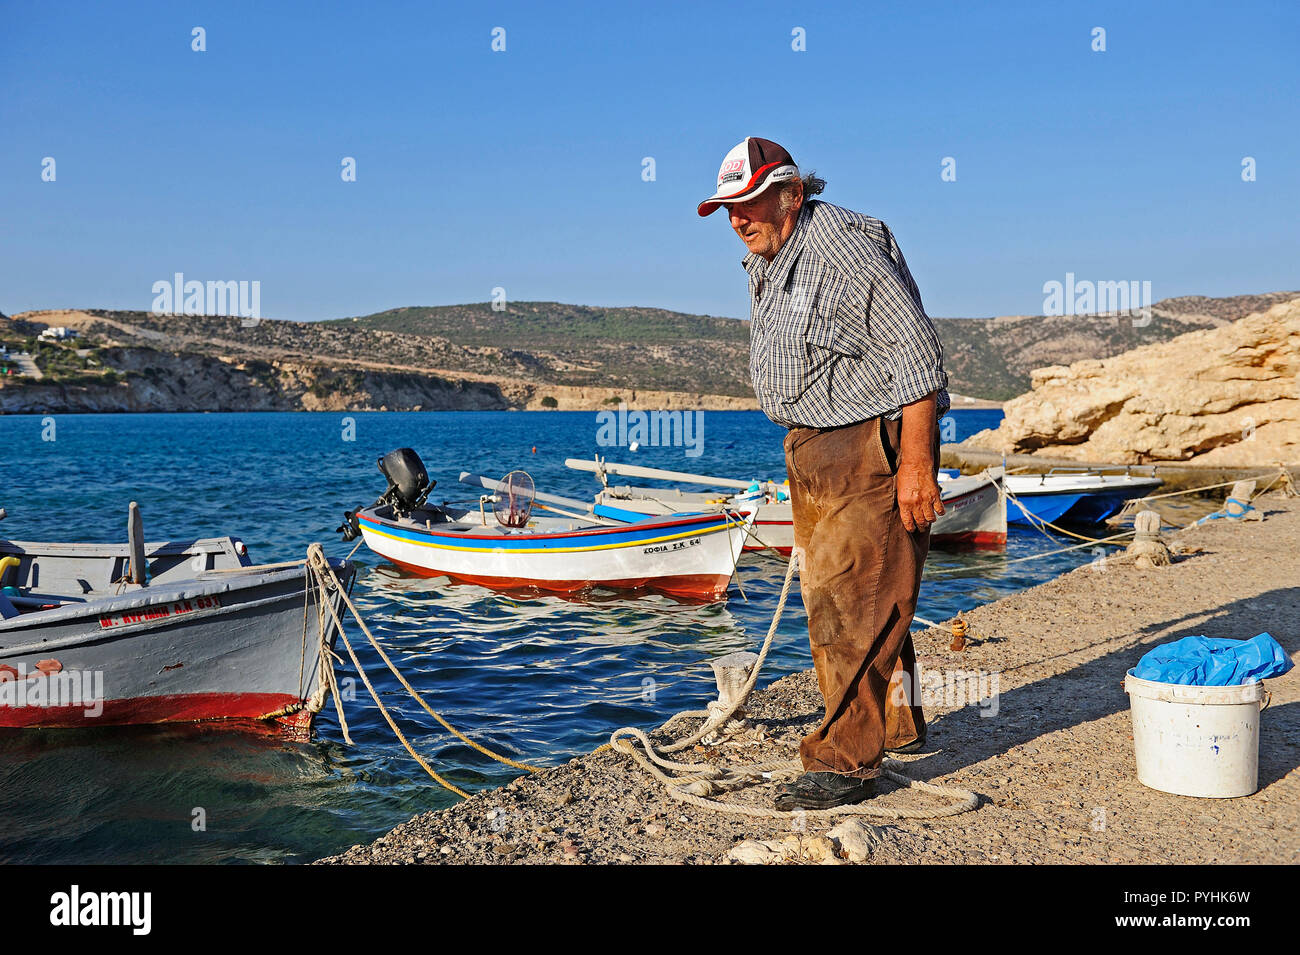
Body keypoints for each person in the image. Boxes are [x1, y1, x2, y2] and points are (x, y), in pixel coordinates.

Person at [698, 137, 949, 810]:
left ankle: (844, 762)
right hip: (821, 446)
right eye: (727, 208)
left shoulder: (836, 248)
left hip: (866, 444)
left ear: (790, 194)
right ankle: (896, 723)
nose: (736, 219)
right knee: (869, 595)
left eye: (747, 203)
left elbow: (919, 353)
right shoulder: (775, 252)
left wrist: (917, 465)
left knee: (845, 608)